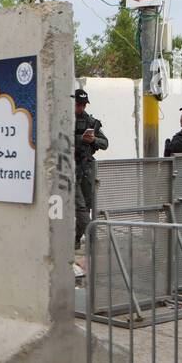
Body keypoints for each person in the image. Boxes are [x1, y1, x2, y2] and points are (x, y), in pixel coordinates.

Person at [73, 89, 108, 250]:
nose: (80, 108)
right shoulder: (64, 119)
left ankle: (76, 238)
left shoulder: (91, 122)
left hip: (87, 168)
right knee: (80, 207)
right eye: (78, 104)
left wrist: (93, 139)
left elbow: (105, 143)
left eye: (83, 105)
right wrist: (80, 139)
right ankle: (93, 239)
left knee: (86, 206)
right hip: (70, 169)